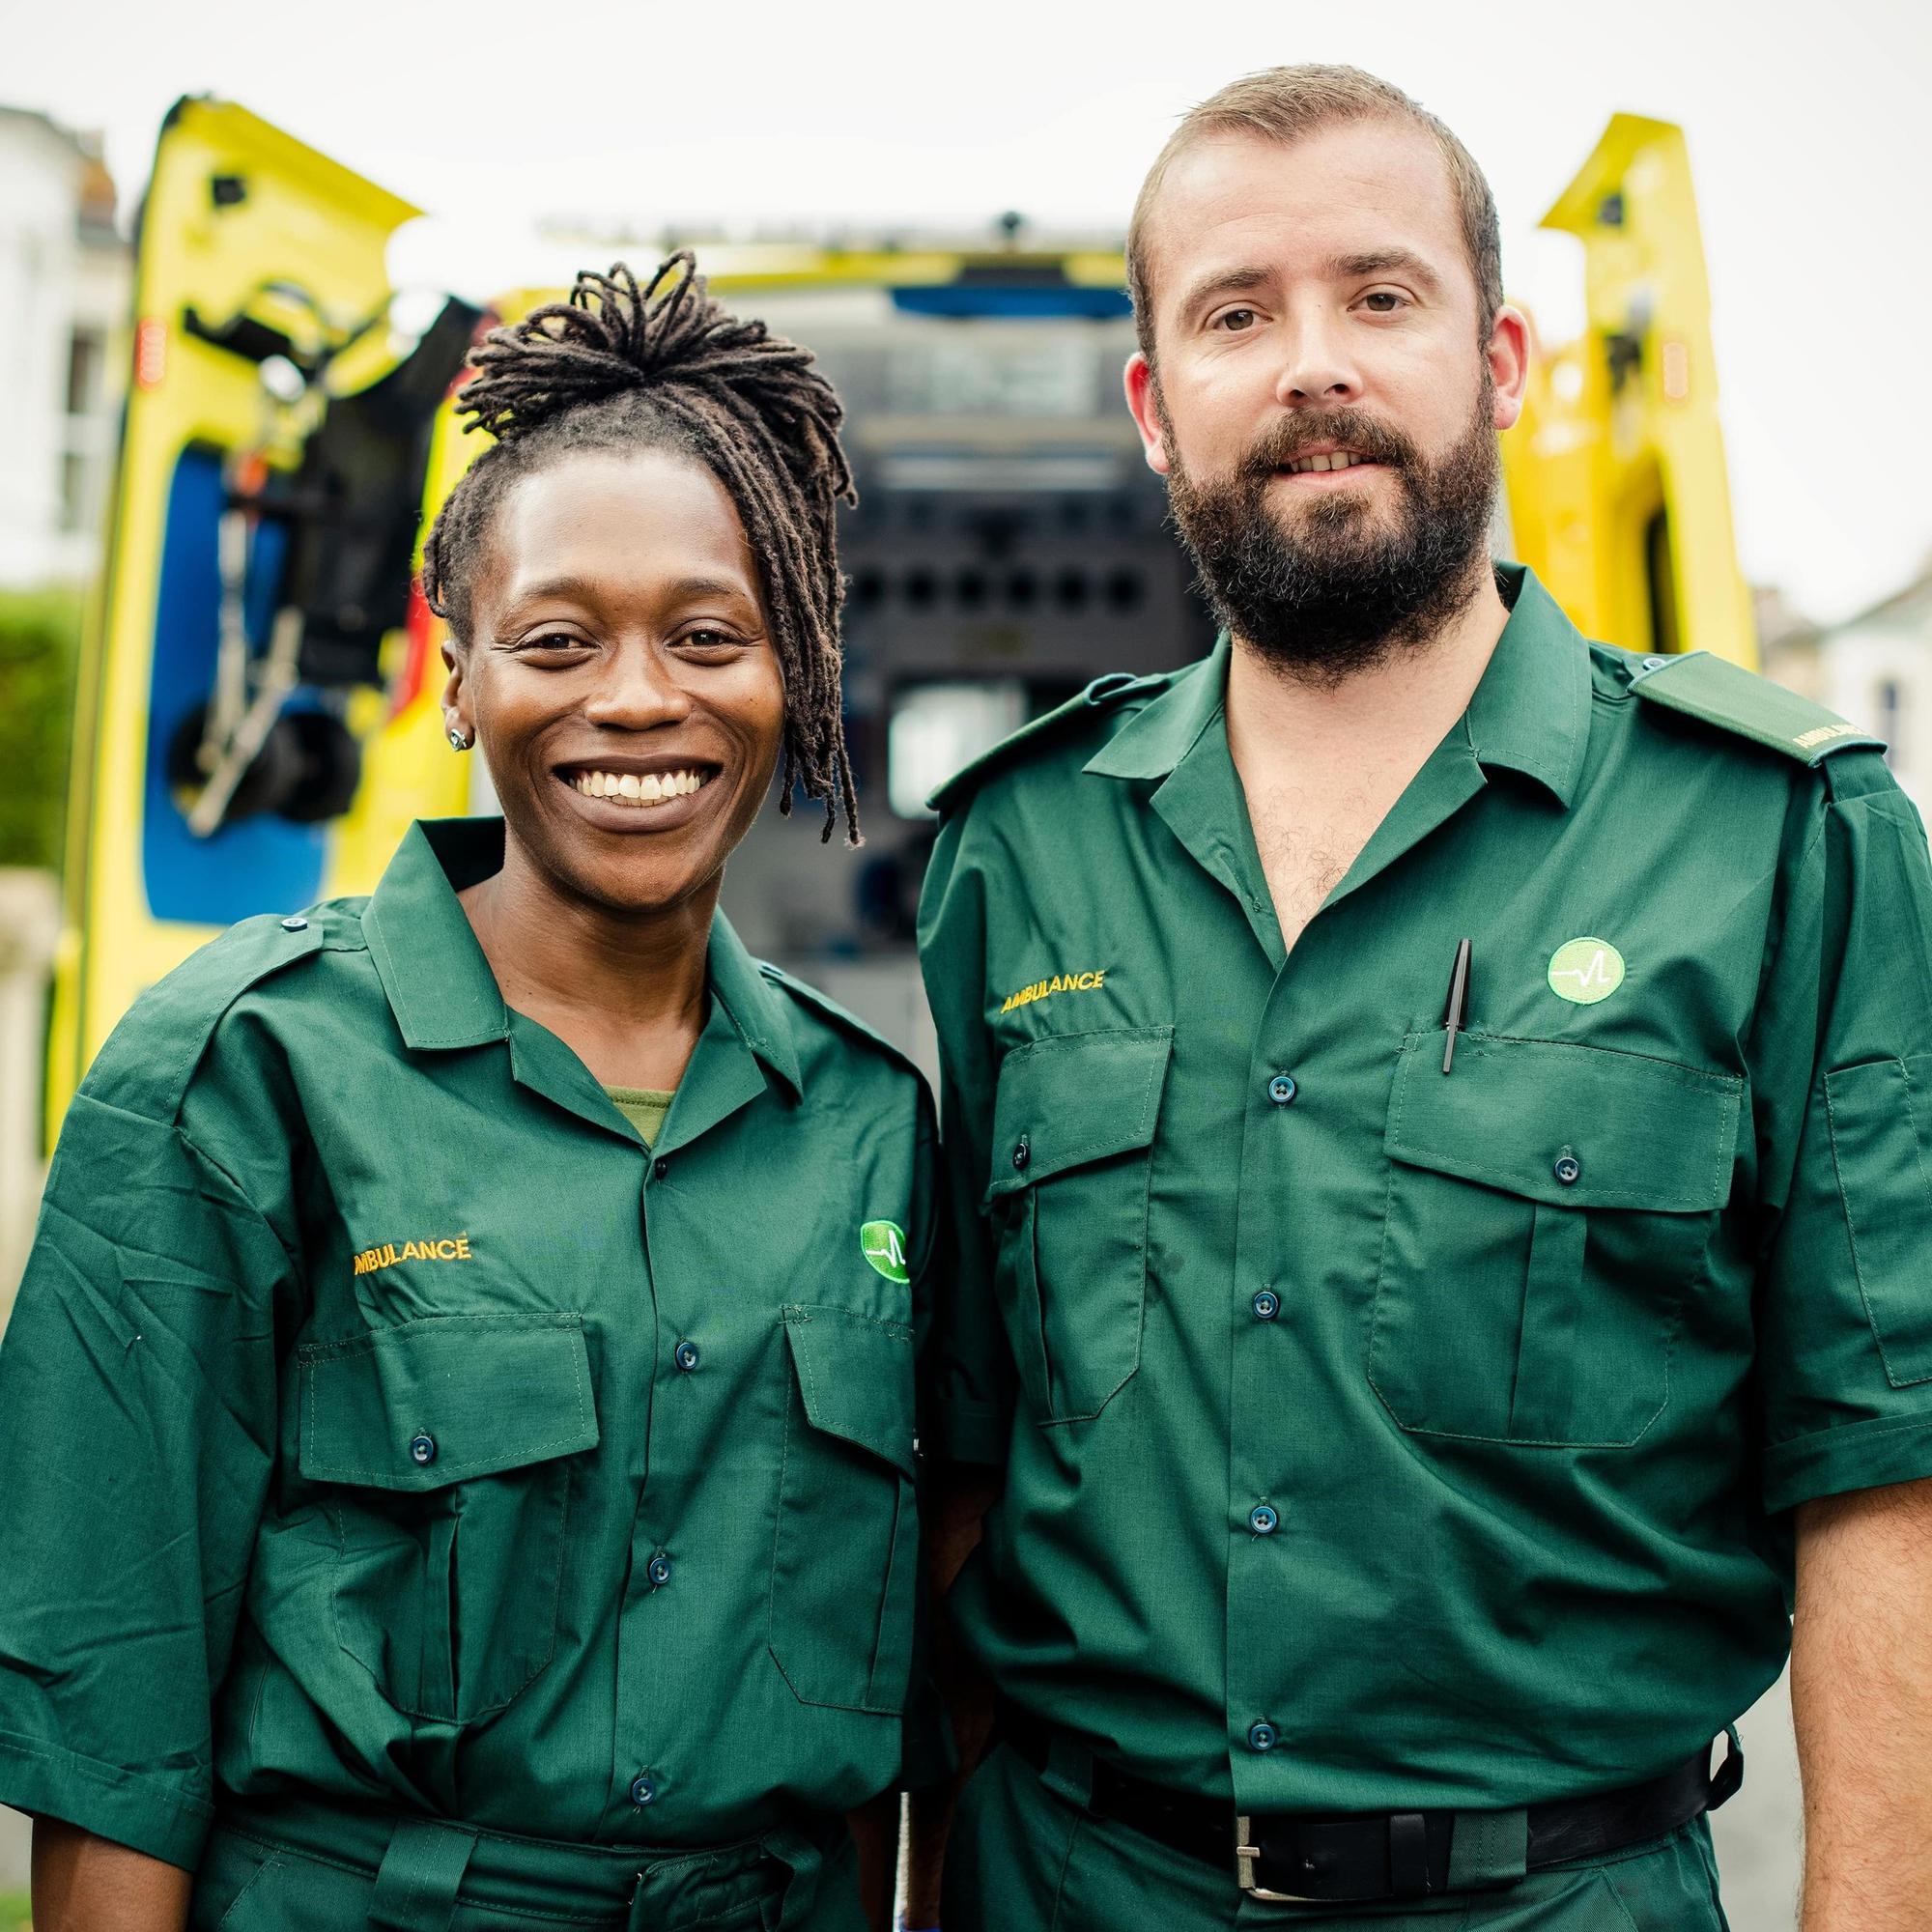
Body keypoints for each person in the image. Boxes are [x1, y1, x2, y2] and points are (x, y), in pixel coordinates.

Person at [911, 65, 1932, 1932]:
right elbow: (968, 1462)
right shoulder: (1018, 853)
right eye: (1236, 314)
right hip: (1065, 1886)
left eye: (1382, 297)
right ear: (1154, 407)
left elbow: (1891, 1469)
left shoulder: (1784, 838)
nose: (1314, 365)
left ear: (1504, 357)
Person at [0, 256, 939, 1932]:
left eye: (708, 636)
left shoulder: (869, 1122)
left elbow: (890, 1722)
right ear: (458, 675)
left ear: (790, 665)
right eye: (560, 639)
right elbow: (112, 1718)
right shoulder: (244, 1066)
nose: (637, 699)